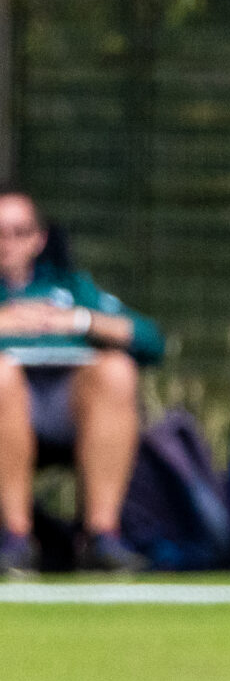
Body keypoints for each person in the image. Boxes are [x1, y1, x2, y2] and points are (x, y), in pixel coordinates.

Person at [0, 187, 163, 575]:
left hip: (66, 408)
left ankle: (101, 537)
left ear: (39, 239)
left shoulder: (72, 288)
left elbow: (150, 339)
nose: (7, 244)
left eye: (18, 232)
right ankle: (17, 540)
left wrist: (78, 320)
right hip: (5, 402)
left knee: (116, 369)